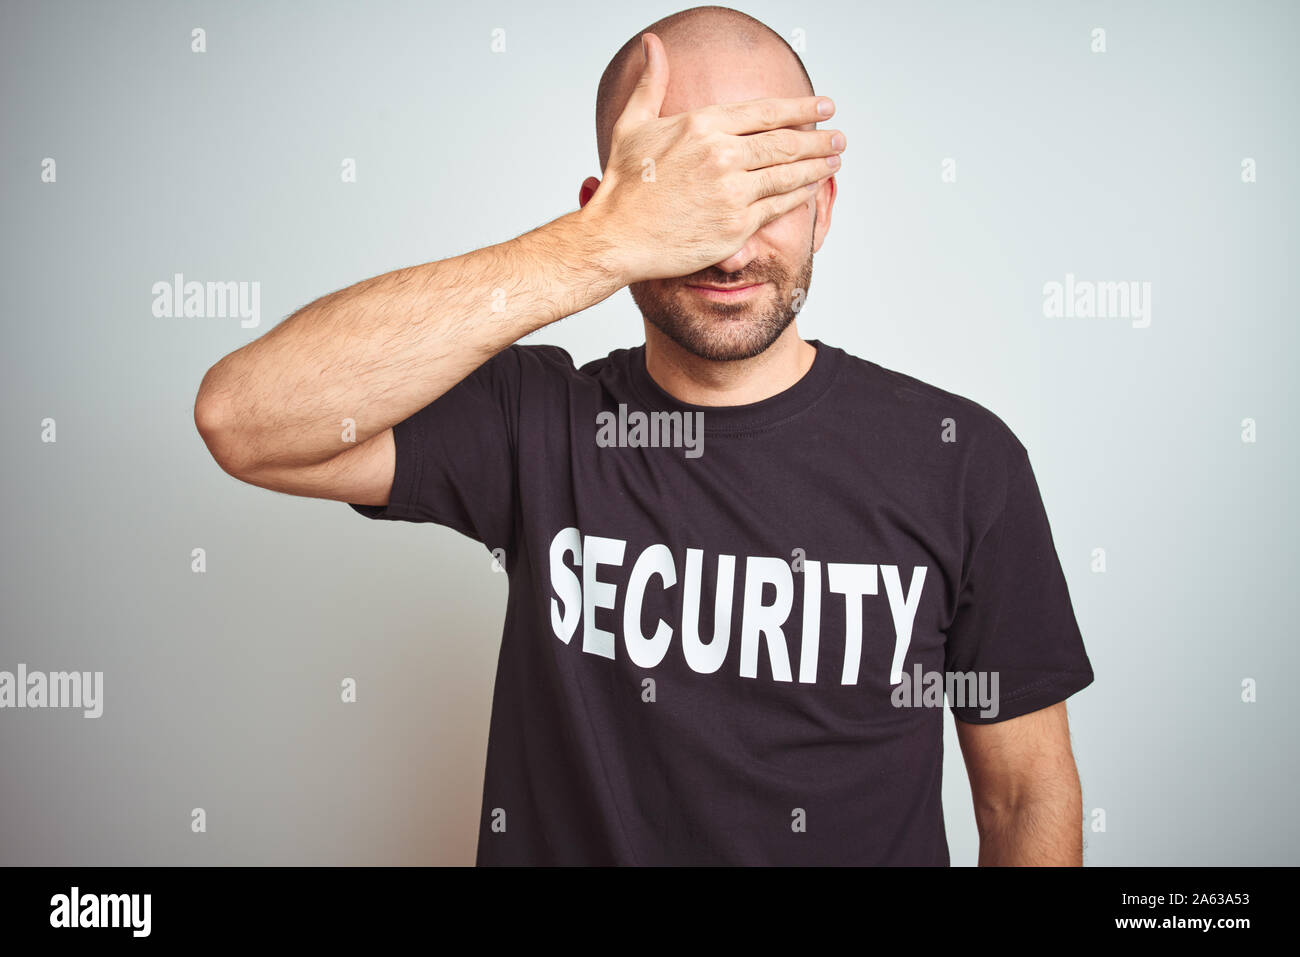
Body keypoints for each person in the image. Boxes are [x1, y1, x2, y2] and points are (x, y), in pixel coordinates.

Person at [194, 5, 1094, 865]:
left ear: (824, 204)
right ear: (610, 206)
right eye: (693, 198)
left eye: (766, 189)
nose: (731, 248)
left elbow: (1024, 800)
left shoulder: (962, 458)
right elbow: (244, 418)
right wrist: (601, 242)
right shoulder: (535, 423)